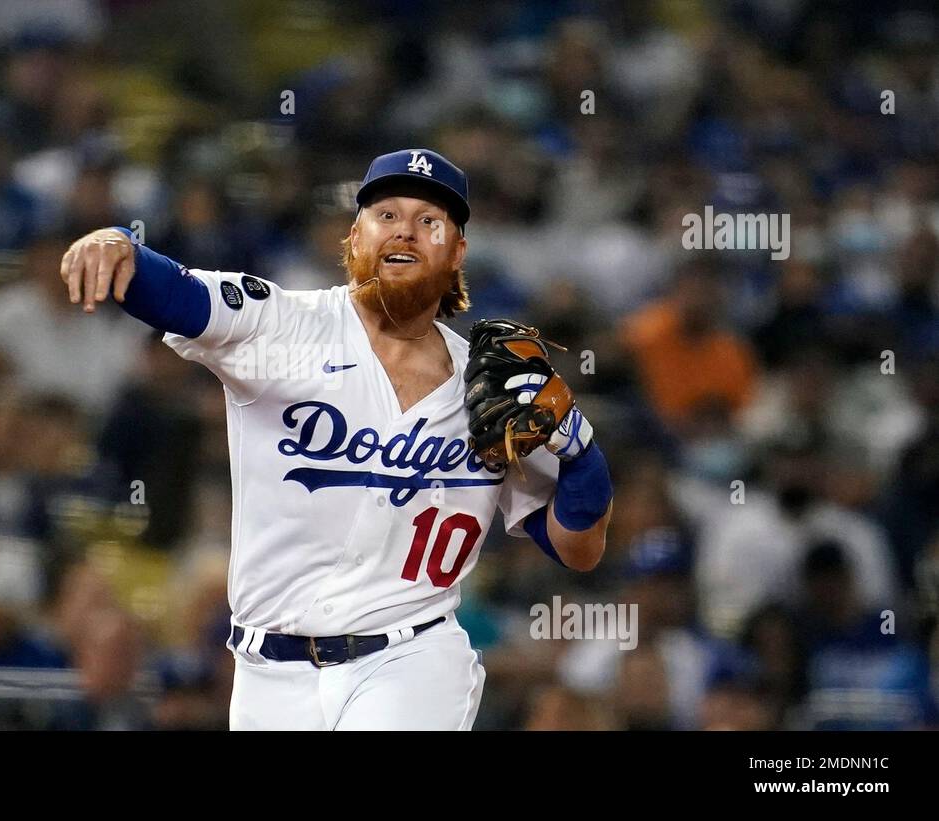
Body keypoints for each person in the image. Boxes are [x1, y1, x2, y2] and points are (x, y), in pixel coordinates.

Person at [58, 149, 613, 730]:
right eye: (387, 214)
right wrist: (118, 241)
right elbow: (174, 294)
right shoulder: (281, 324)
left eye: (429, 221)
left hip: (413, 659)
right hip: (267, 674)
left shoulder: (492, 386)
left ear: (457, 252)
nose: (405, 229)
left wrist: (579, 446)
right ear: (355, 237)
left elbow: (579, 547)